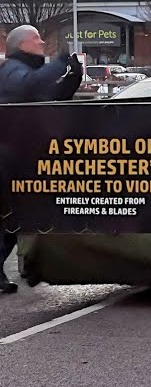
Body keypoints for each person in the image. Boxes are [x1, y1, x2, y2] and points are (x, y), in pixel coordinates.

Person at [0, 25, 83, 294]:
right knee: (11, 216)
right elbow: (30, 87)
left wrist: (72, 76)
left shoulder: (23, 72)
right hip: (8, 157)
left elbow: (47, 99)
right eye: (36, 38)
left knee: (15, 217)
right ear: (22, 45)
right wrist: (58, 63)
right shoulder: (11, 70)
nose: (42, 42)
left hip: (17, 156)